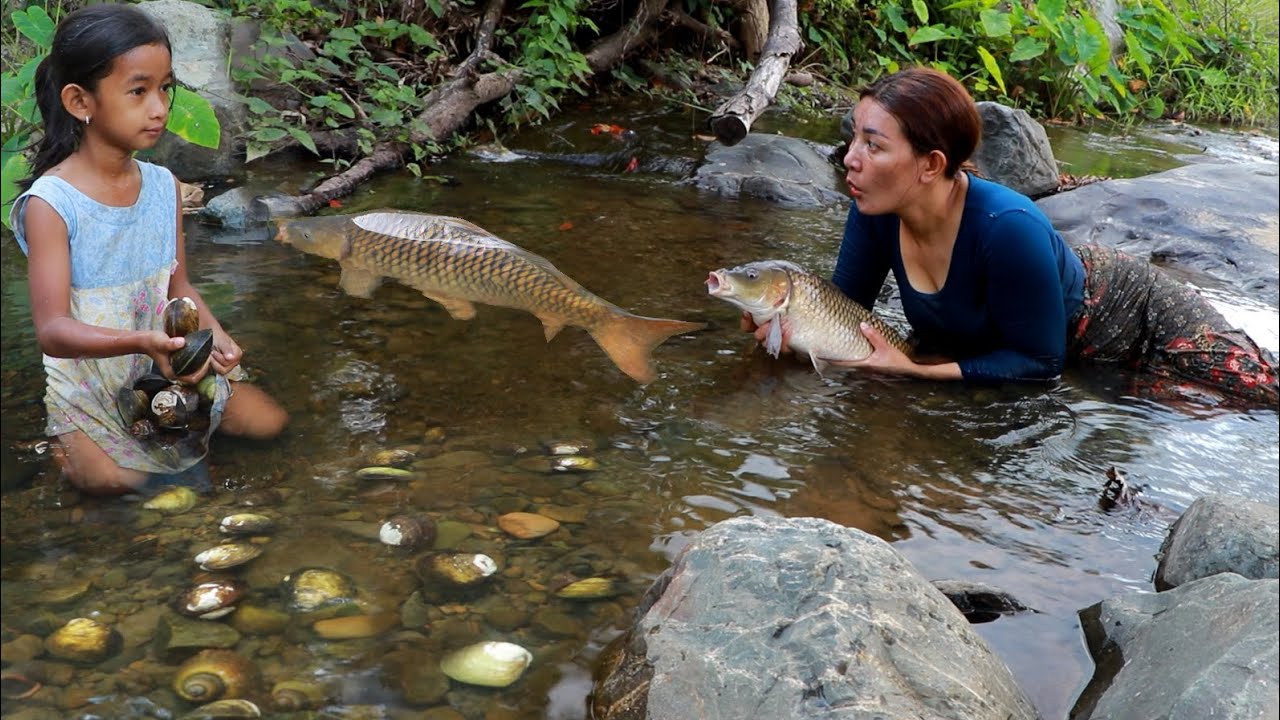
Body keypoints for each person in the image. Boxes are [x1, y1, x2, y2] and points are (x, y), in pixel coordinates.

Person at [746, 66, 1278, 407]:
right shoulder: (875, 211)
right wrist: (788, 323)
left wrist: (918, 372)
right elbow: (848, 313)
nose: (849, 159)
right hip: (1049, 335)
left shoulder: (1008, 228)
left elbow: (1038, 362)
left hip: (1132, 312)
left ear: (931, 164)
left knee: (1257, 392)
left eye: (873, 145)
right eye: (853, 138)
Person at [10, 4, 288, 496]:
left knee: (269, 424)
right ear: (79, 101)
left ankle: (172, 423)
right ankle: (67, 445)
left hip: (166, 365)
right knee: (119, 481)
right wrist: (143, 342)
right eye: (138, 91)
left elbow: (177, 287)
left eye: (165, 88)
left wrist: (219, 339)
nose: (159, 107)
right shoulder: (52, 204)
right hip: (92, 379)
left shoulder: (163, 186)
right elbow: (53, 332)